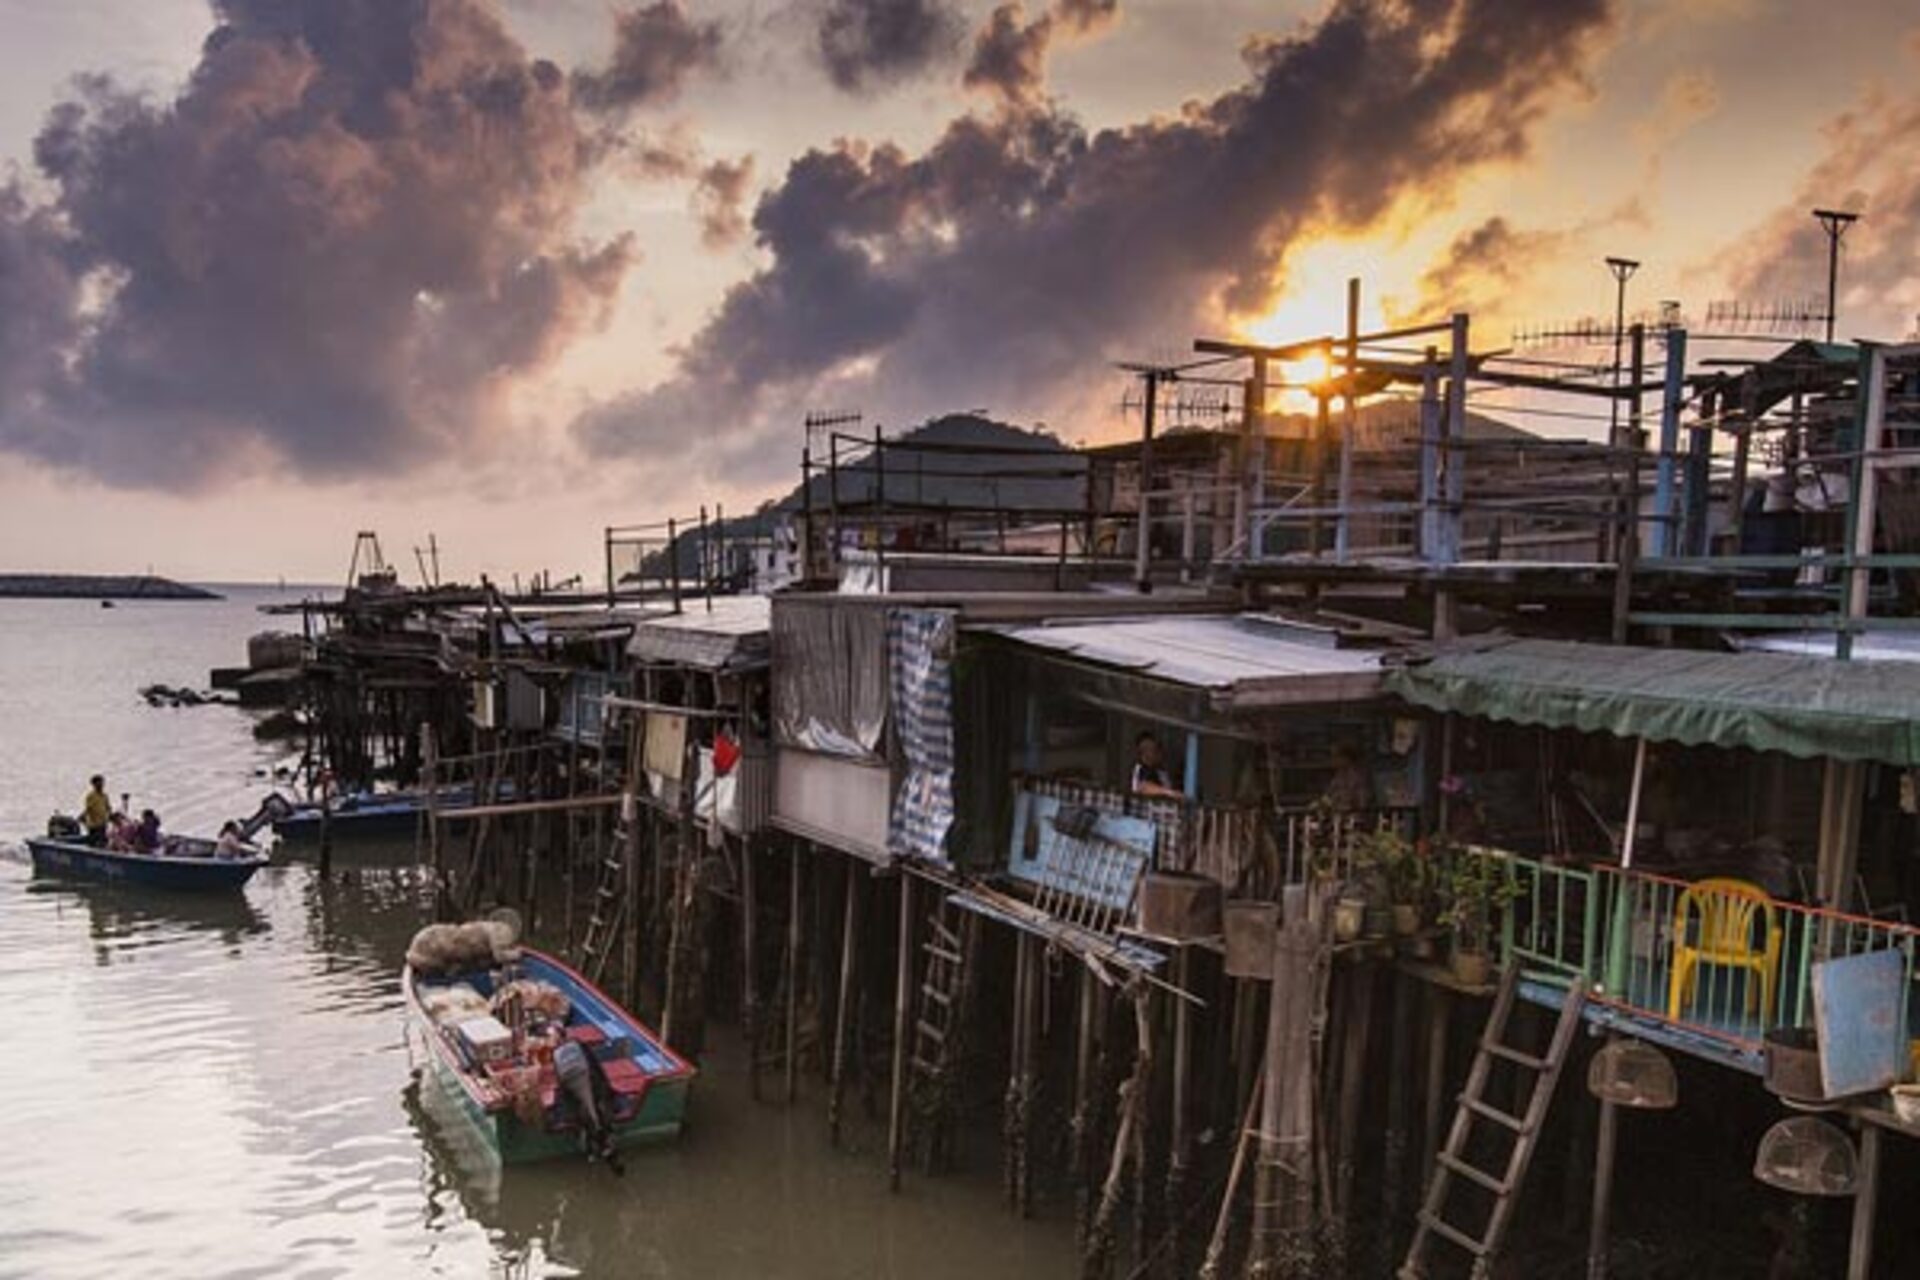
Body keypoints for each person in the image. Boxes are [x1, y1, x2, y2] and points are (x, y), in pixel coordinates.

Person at [1129, 732, 1184, 799]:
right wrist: (1169, 793)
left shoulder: (1162, 772)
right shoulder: (1139, 768)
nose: (1149, 753)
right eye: (1145, 749)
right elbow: (1143, 787)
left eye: (1152, 749)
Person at [81, 775, 111, 845]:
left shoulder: (104, 796)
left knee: (103, 842)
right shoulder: (91, 796)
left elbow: (108, 808)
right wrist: (83, 819)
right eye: (99, 783)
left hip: (103, 824)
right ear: (94, 785)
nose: (101, 785)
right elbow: (88, 809)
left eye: (102, 783)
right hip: (94, 825)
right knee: (94, 843)